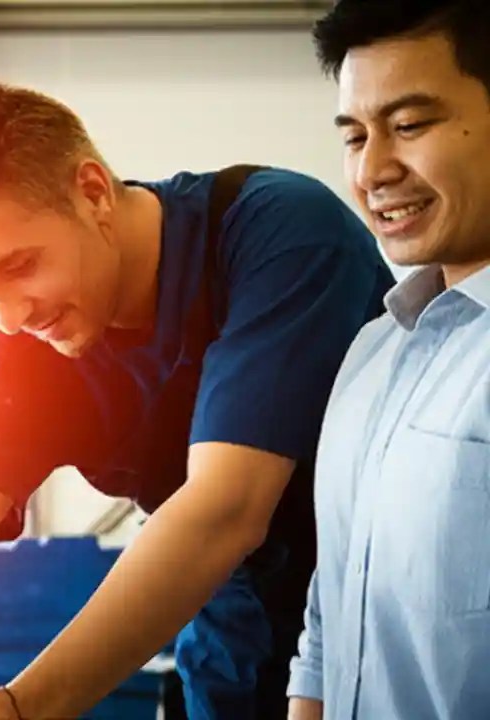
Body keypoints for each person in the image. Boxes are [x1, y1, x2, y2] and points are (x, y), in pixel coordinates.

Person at [0, 82, 397, 720]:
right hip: (232, 657)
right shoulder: (22, 334)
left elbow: (227, 510)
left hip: (385, 646)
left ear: (92, 192)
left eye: (19, 266)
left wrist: (19, 710)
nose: (7, 315)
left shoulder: (280, 235)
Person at [286, 2, 490, 718]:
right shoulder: (375, 349)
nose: (372, 169)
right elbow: (329, 617)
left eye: (409, 126)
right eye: (353, 136)